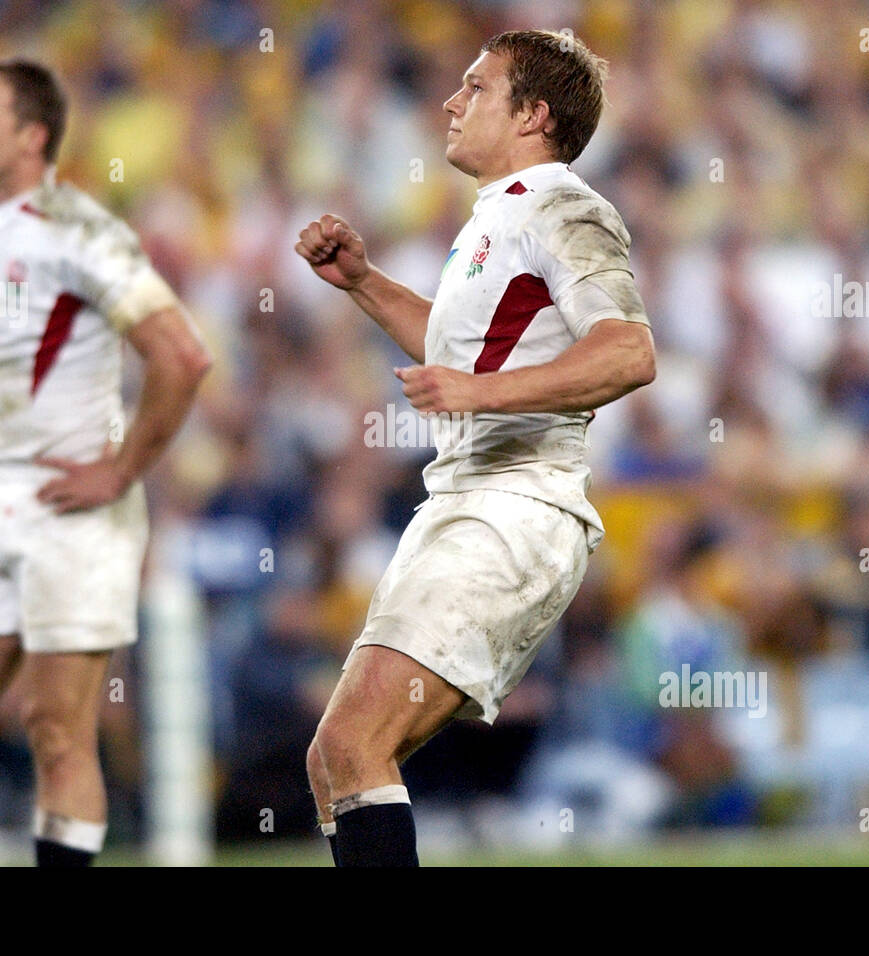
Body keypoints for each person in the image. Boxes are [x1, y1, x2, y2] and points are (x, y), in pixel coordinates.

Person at [295, 29, 656, 866]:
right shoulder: (499, 214)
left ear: (532, 114)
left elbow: (628, 351)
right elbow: (463, 354)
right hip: (463, 501)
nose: (452, 102)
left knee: (353, 747)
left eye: (476, 88)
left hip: (514, 503)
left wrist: (479, 393)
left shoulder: (564, 206)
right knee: (334, 761)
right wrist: (362, 280)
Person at [0, 59, 210, 867]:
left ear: (34, 136)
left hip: (76, 505)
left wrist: (120, 471)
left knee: (58, 732)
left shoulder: (81, 230)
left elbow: (182, 355)